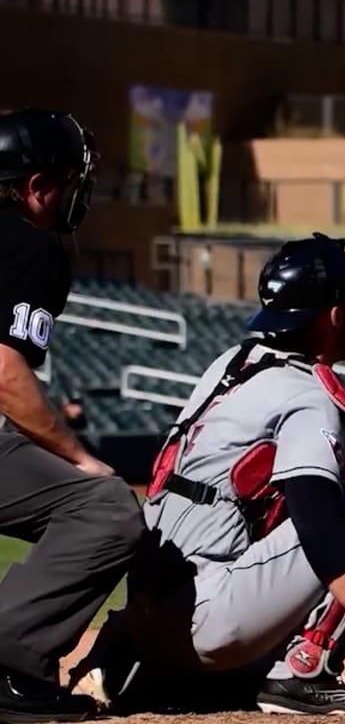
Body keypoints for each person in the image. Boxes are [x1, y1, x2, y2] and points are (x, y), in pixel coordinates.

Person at [72, 234, 345, 716]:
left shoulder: (235, 363)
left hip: (149, 618)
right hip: (211, 626)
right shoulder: (308, 394)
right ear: (334, 315)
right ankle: (305, 674)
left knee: (304, 495)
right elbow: (319, 527)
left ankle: (134, 656)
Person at [0, 109, 144, 722]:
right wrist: (81, 457)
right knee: (106, 507)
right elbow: (4, 371)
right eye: (67, 181)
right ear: (36, 188)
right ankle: (9, 663)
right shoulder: (30, 244)